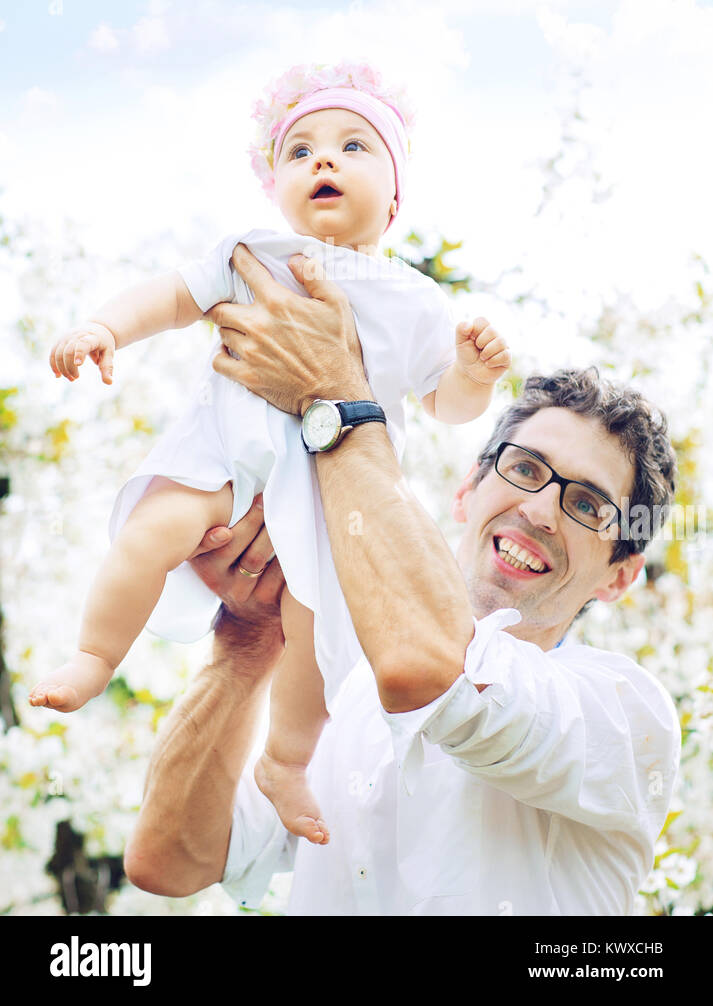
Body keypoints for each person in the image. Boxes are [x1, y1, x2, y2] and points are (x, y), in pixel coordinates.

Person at [29, 60, 510, 848]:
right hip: (224, 460)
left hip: (326, 494)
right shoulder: (254, 251)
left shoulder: (413, 298)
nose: (324, 161)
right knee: (150, 531)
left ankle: (286, 761)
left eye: (355, 146)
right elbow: (171, 295)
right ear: (275, 186)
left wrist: (473, 374)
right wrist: (104, 329)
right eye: (301, 151)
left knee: (315, 622)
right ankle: (92, 652)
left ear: (394, 197)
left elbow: (443, 404)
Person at [123, 245, 681, 916]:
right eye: (524, 469)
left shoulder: (621, 710)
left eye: (587, 505)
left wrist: (336, 396)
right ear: (465, 491)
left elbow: (428, 669)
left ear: (617, 577)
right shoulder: (337, 687)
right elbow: (169, 859)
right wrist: (246, 643)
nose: (537, 511)